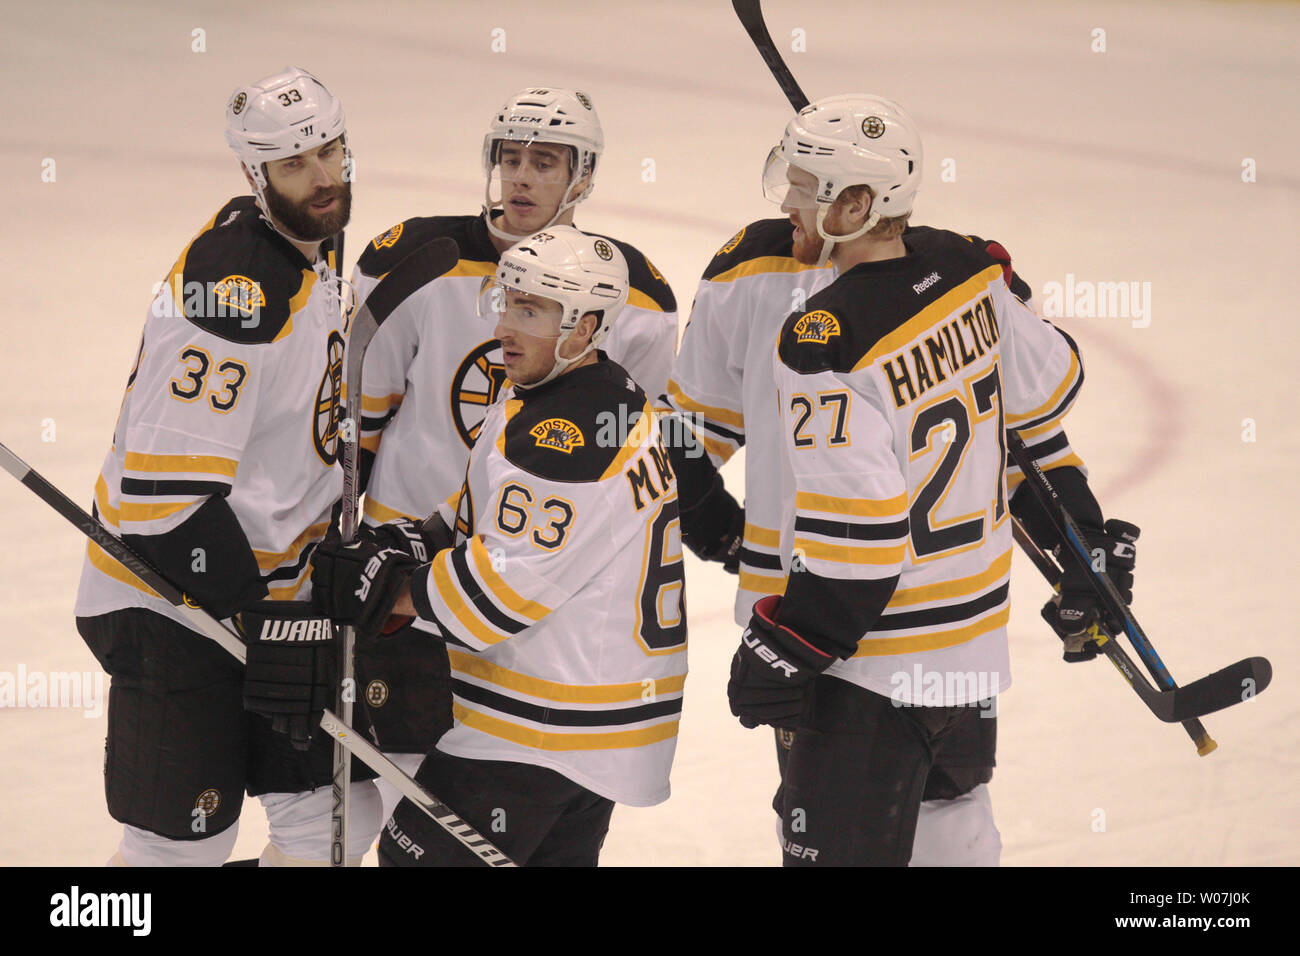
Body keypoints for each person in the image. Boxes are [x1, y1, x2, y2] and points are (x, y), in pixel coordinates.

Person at [719, 94, 1137, 866]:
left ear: (854, 204)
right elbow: (1042, 408)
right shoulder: (969, 271)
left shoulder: (824, 340)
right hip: (971, 651)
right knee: (955, 828)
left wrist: (789, 643)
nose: (786, 203)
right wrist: (1087, 543)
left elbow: (866, 537)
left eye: (805, 186)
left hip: (871, 667)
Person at [73, 66, 382, 866]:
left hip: (267, 599)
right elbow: (160, 500)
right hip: (172, 605)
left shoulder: (307, 245)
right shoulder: (232, 290)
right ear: (255, 174)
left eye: (330, 151)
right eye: (294, 164)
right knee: (180, 847)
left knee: (334, 823)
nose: (321, 177)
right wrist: (258, 615)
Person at [346, 88, 678, 818]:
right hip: (412, 572)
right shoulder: (416, 260)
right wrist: (366, 551)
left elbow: (616, 467)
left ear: (582, 177)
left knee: (495, 802)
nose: (522, 177)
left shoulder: (638, 298)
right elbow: (359, 424)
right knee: (400, 793)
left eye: (546, 162)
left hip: (535, 601)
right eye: (512, 158)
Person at [311, 226, 687, 866]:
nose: (504, 328)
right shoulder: (580, 395)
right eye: (507, 303)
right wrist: (404, 538)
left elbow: (490, 602)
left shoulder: (564, 439)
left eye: (531, 311)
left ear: (584, 327)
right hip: (590, 721)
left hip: (546, 730)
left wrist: (388, 591)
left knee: (412, 859)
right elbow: (477, 513)